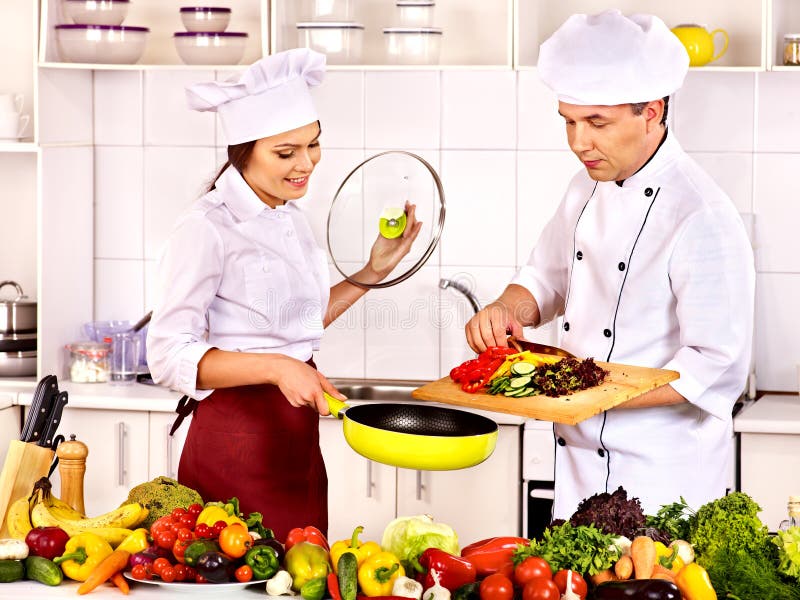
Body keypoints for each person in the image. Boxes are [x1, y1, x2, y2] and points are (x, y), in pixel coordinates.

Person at [465, 10, 755, 519]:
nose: (578, 142)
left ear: (652, 112)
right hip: (576, 474)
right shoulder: (583, 186)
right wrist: (508, 307)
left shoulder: (700, 214)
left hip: (664, 485)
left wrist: (587, 393)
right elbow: (544, 279)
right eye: (569, 122)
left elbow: (714, 363)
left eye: (597, 123)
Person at [146, 48, 422, 541]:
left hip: (294, 444)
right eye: (286, 152)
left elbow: (298, 321)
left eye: (313, 145)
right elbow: (167, 357)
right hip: (235, 446)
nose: (307, 164)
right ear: (243, 151)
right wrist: (278, 368)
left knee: (303, 577)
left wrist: (371, 271)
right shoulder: (206, 228)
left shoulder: (288, 216)